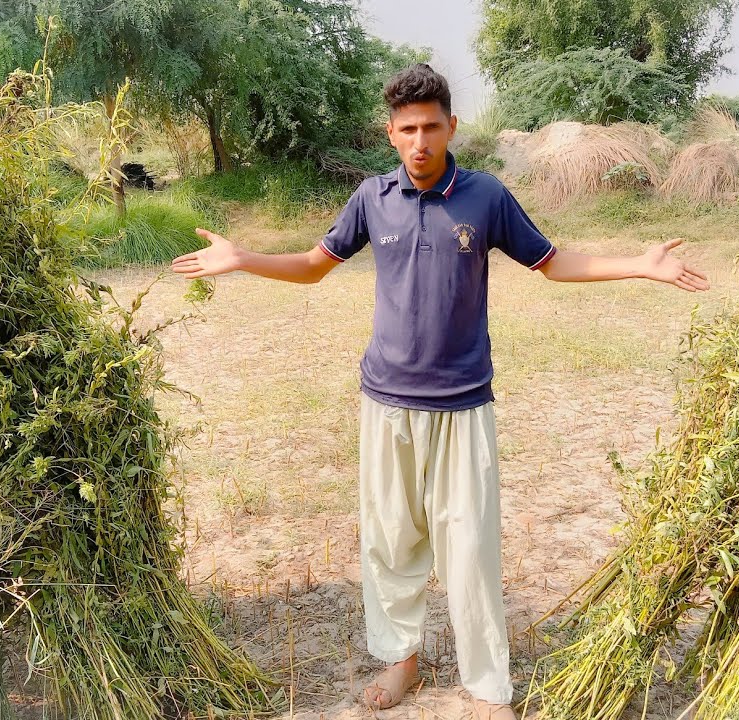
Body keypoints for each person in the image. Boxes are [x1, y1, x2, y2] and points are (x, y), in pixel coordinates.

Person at [171, 63, 710, 720]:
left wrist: (638, 265)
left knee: (470, 550)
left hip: (462, 402)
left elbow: (552, 262)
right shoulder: (372, 197)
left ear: (451, 127)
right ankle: (402, 660)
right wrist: (243, 258)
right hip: (386, 401)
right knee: (391, 540)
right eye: (407, 130)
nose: (420, 141)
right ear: (391, 134)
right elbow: (315, 266)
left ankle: (486, 685)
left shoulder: (485, 196)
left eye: (431, 127)